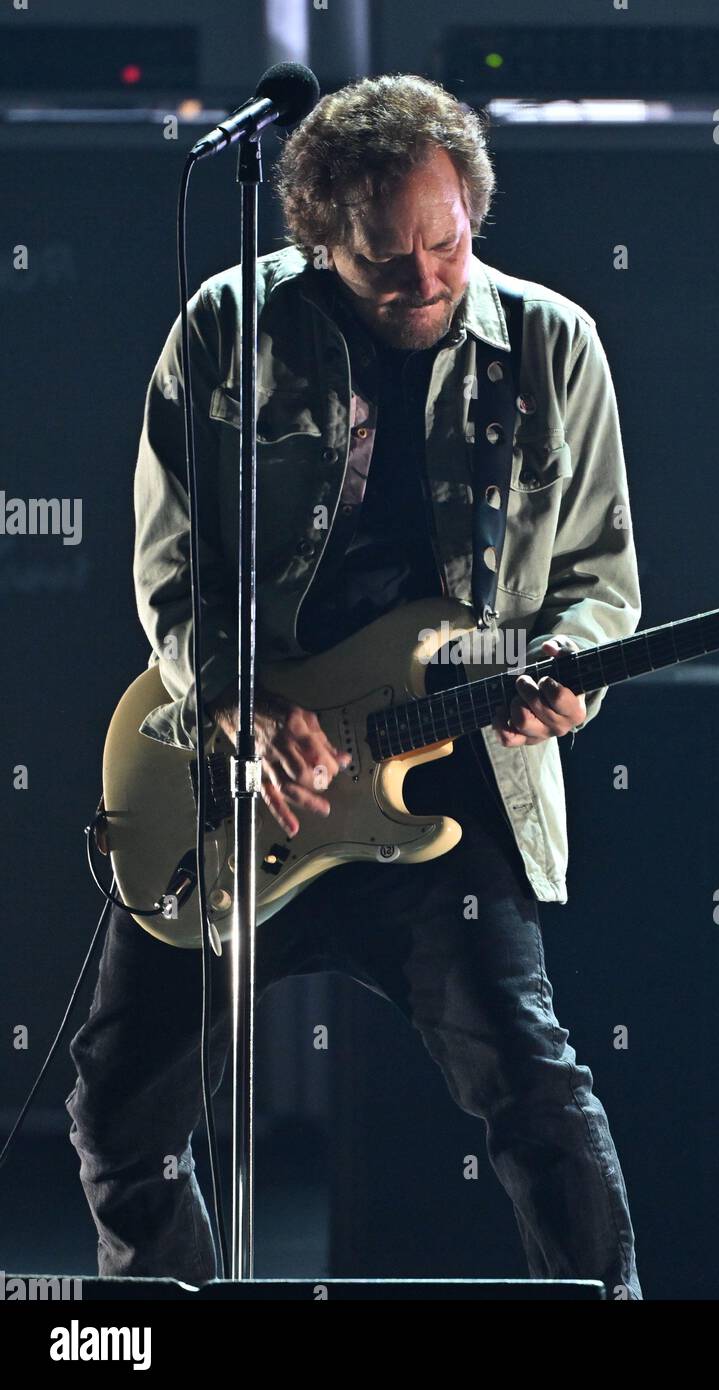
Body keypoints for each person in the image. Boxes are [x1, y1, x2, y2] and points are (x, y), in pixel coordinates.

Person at [66, 73, 644, 1298]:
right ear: (316, 240)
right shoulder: (224, 328)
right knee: (120, 1110)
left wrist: (567, 668)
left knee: (535, 1088)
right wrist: (234, 705)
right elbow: (168, 565)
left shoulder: (554, 343)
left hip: (445, 775)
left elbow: (601, 579)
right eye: (389, 261)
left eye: (449, 245)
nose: (428, 280)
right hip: (239, 783)